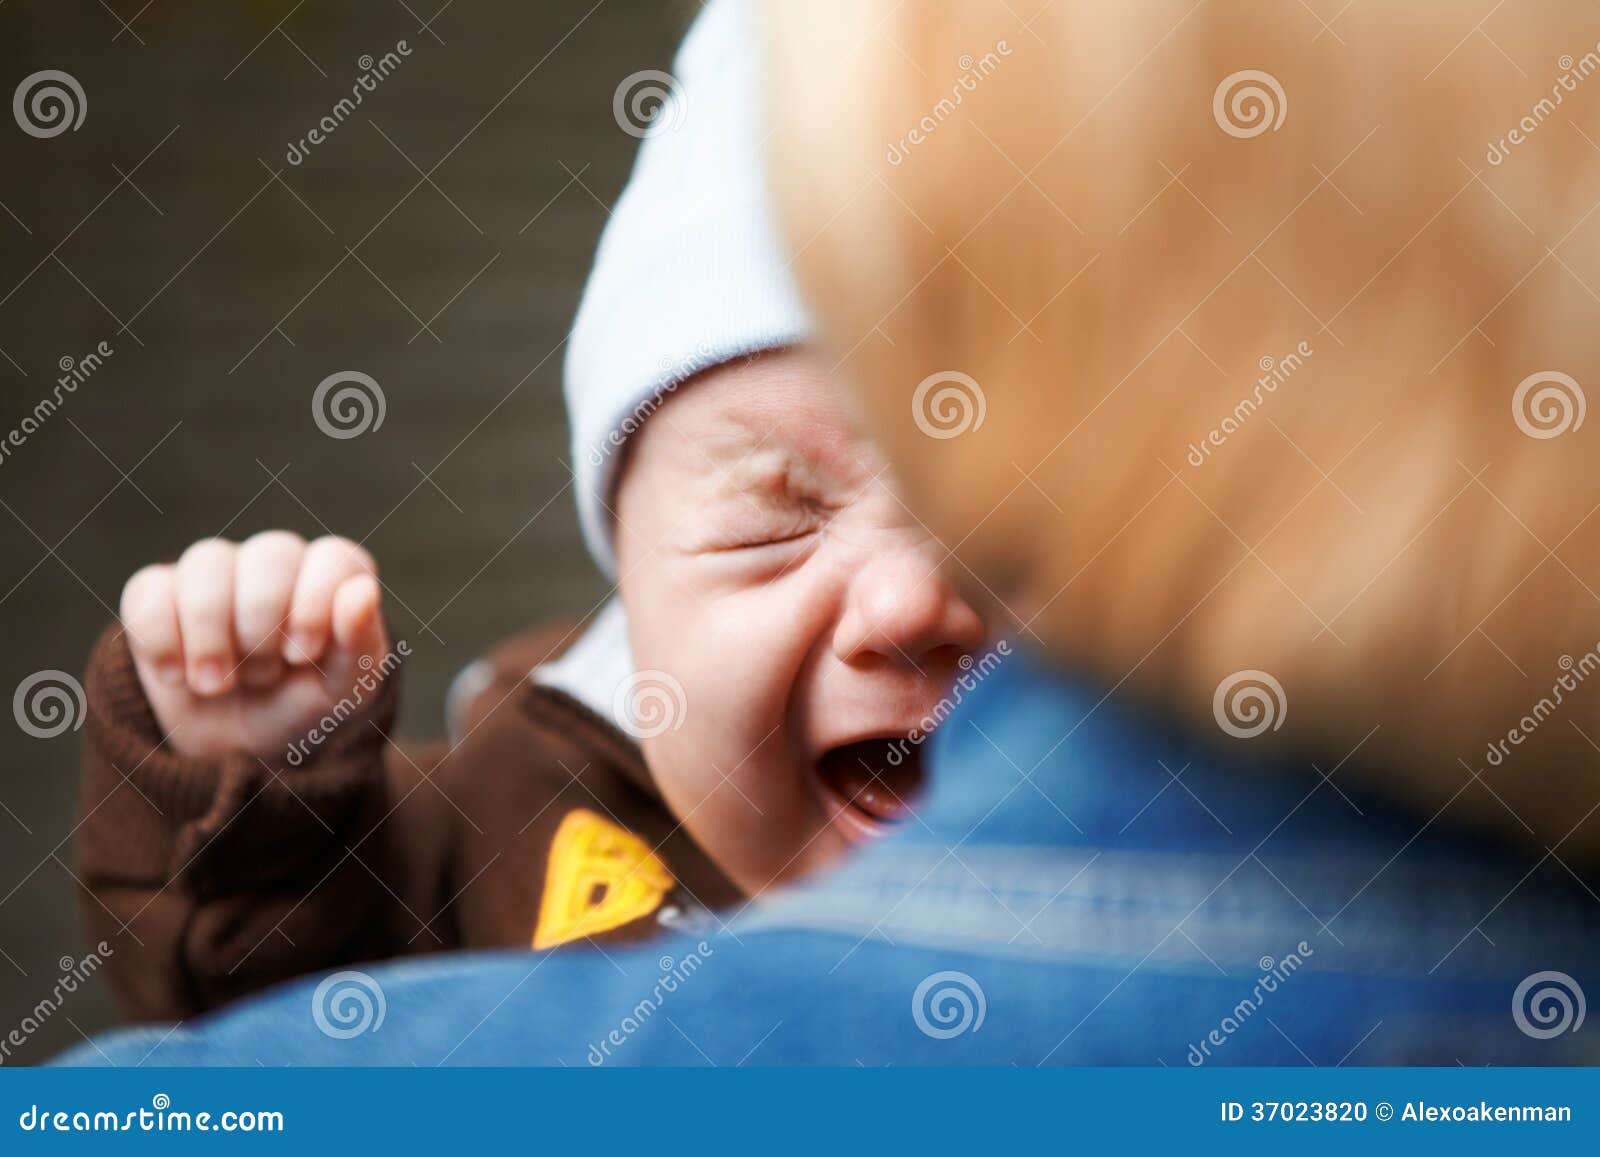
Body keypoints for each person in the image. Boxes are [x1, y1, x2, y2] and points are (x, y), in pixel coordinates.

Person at [72, 0, 986, 1024]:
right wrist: (263, 796)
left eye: (1019, 528)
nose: (910, 604)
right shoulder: (492, 827)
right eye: (773, 523)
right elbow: (254, 1034)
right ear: (628, 571)